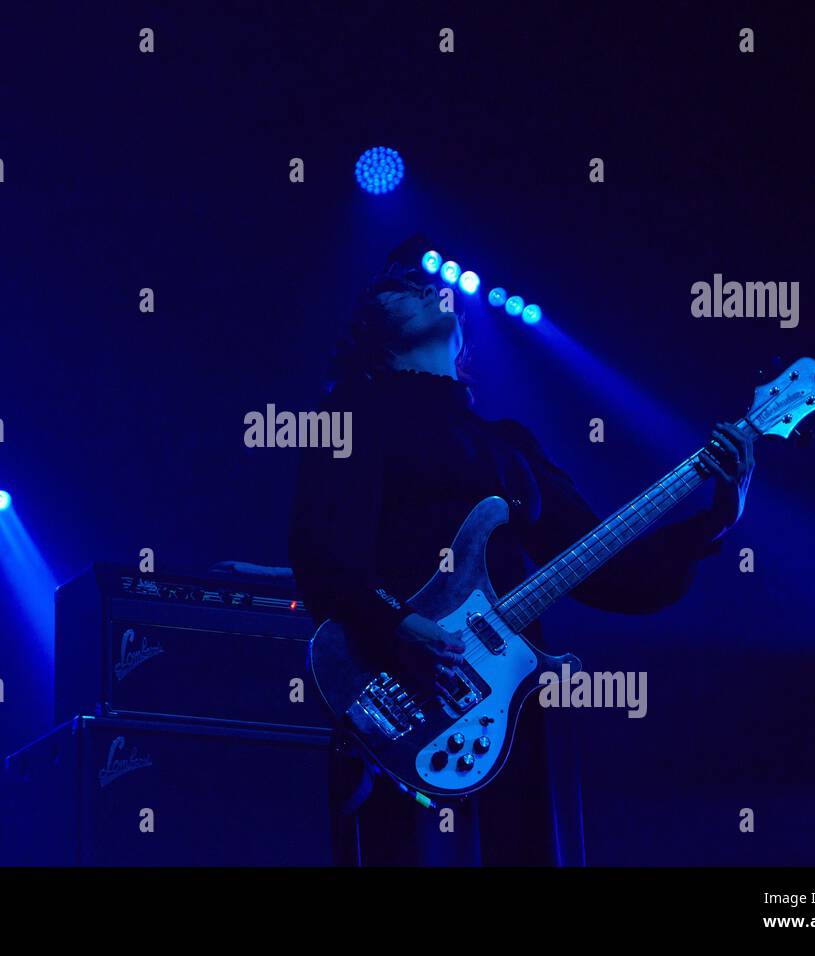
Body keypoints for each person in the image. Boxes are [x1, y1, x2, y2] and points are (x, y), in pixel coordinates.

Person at [288, 235, 754, 866]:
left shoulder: (510, 446)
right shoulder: (354, 411)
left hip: (506, 704)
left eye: (428, 283)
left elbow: (610, 570)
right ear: (373, 333)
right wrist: (396, 625)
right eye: (403, 288)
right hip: (396, 689)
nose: (429, 286)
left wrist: (717, 517)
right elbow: (319, 548)